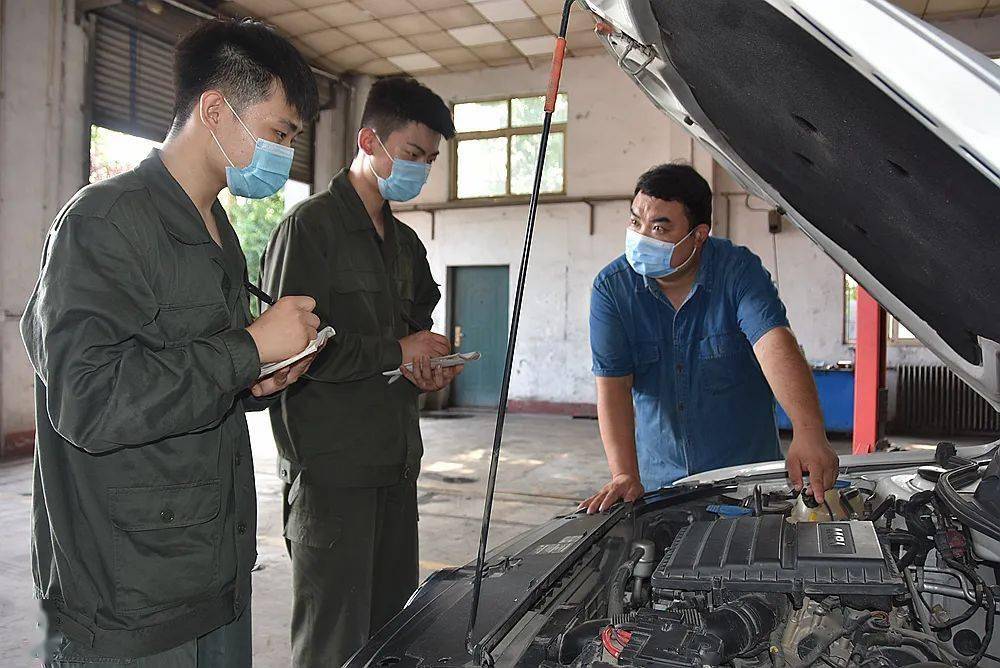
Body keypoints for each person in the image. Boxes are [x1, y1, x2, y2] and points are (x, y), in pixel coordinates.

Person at [21, 19, 320, 666]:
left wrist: (256, 378)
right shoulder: (106, 222)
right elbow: (89, 402)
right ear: (215, 110)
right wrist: (246, 350)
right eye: (278, 134)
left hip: (211, 570)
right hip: (130, 595)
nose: (284, 156)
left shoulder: (218, 231)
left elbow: (185, 377)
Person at [261, 75, 461, 666]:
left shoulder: (406, 246)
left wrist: (428, 367)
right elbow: (292, 354)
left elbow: (413, 340)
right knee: (332, 642)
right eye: (410, 155)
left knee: (394, 635)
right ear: (368, 140)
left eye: (429, 160)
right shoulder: (310, 229)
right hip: (332, 476)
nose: (420, 170)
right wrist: (397, 351)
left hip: (395, 466)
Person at [581, 163, 839, 514]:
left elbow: (774, 342)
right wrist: (624, 473)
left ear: (699, 234)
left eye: (660, 227)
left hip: (747, 484)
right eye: (635, 221)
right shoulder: (612, 288)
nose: (642, 236)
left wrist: (809, 430)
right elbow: (613, 386)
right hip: (661, 486)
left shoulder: (737, 271)